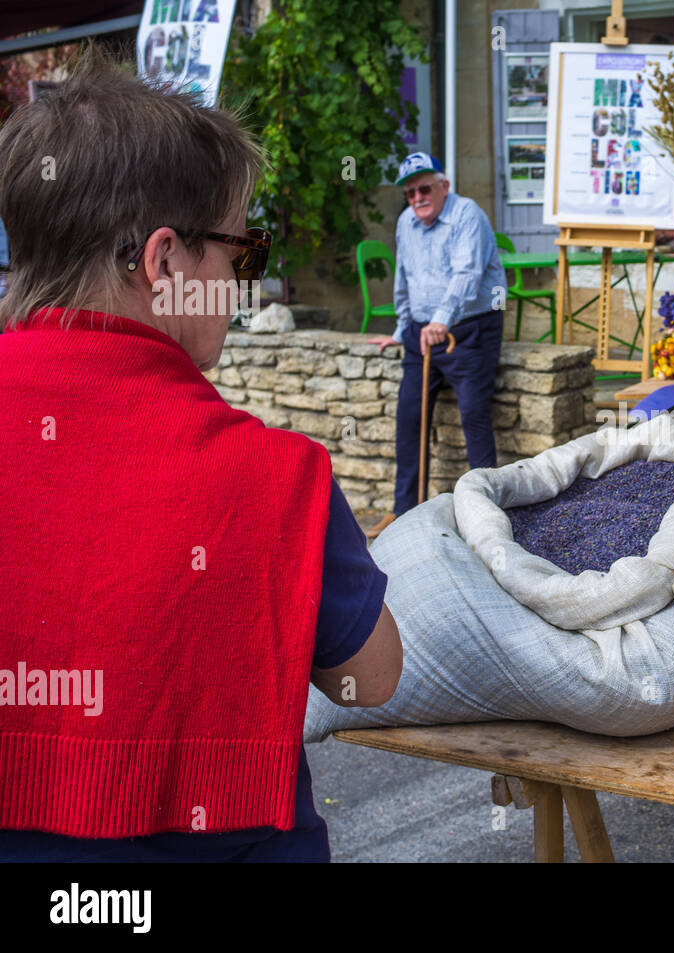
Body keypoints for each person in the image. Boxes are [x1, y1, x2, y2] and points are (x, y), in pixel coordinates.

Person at [0, 47, 402, 862]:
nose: (245, 279)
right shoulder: (271, 478)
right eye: (240, 253)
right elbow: (375, 674)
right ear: (163, 263)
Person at [367, 152, 506, 535]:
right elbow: (404, 276)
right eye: (410, 192)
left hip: (468, 327)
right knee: (409, 417)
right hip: (423, 332)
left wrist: (441, 321)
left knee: (474, 414)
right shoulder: (406, 223)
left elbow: (467, 274)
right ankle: (403, 511)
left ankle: (487, 514)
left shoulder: (467, 215)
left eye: (424, 188)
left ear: (444, 186)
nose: (417, 198)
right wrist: (402, 328)